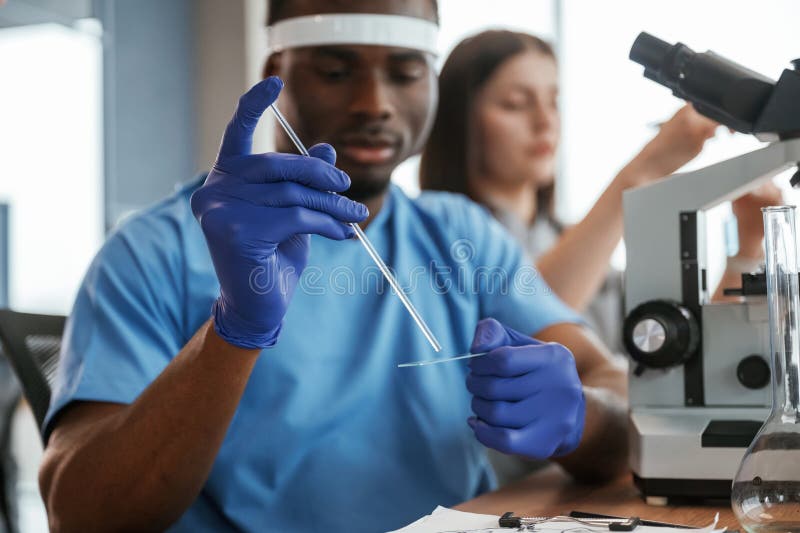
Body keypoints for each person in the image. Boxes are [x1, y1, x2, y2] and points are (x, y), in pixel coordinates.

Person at [37, 2, 628, 532]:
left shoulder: (462, 235)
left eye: (405, 71)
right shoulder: (153, 250)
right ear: (276, 70)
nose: (375, 103)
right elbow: (79, 513)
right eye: (336, 71)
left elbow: (615, 393)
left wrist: (586, 419)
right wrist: (234, 329)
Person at [420, 30, 783, 355]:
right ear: (458, 118)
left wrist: (747, 249)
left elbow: (674, 358)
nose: (545, 121)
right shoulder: (436, 235)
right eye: (515, 103)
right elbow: (531, 328)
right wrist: (645, 170)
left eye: (553, 101)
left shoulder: (578, 245)